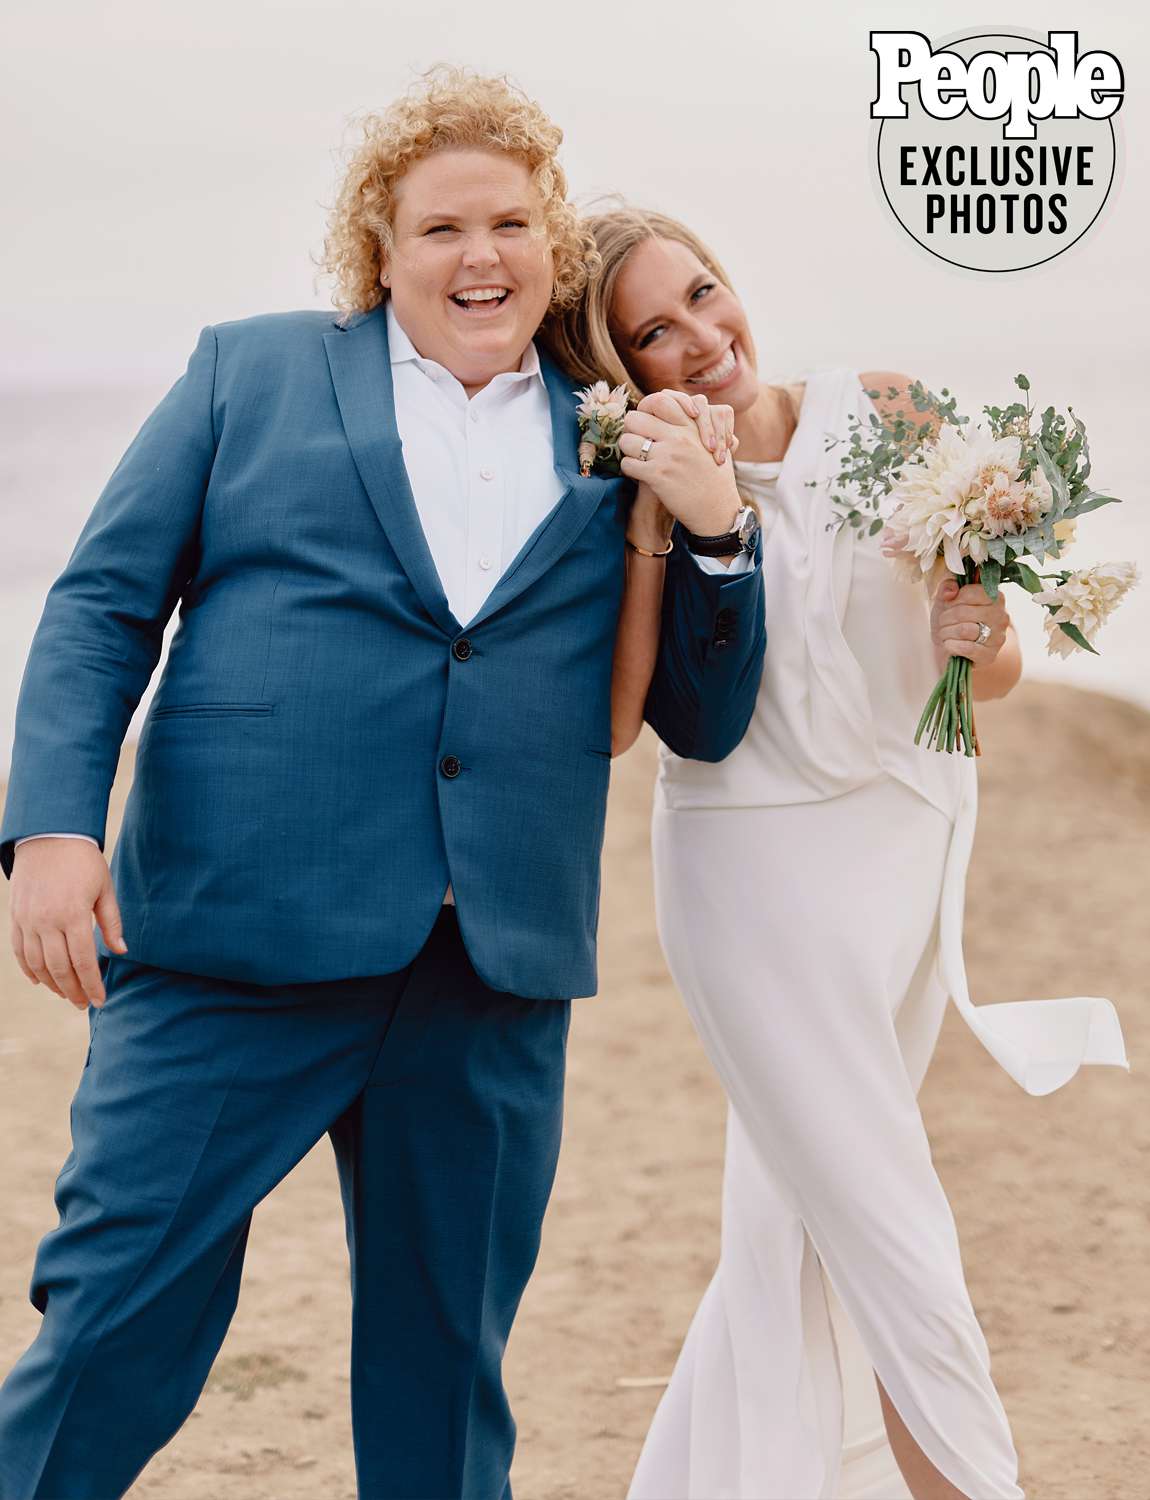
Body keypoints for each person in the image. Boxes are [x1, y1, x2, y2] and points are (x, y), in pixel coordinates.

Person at [0, 80, 765, 1499]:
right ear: (381, 249)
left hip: (487, 968)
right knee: (112, 1322)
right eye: (441, 227)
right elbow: (104, 602)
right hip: (227, 944)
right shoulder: (250, 372)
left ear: (550, 245)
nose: (481, 254)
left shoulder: (620, 433)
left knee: (440, 1370)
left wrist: (719, 543)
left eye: (511, 222)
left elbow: (694, 722)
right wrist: (51, 829)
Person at [545, 207, 1129, 1500]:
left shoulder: (887, 412)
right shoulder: (629, 482)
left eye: (705, 294)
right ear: (616, 366)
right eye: (653, 331)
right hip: (754, 886)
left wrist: (985, 638)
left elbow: (998, 675)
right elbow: (619, 719)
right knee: (886, 1215)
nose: (701, 339)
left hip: (906, 853)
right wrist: (667, 512)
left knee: (796, 1225)